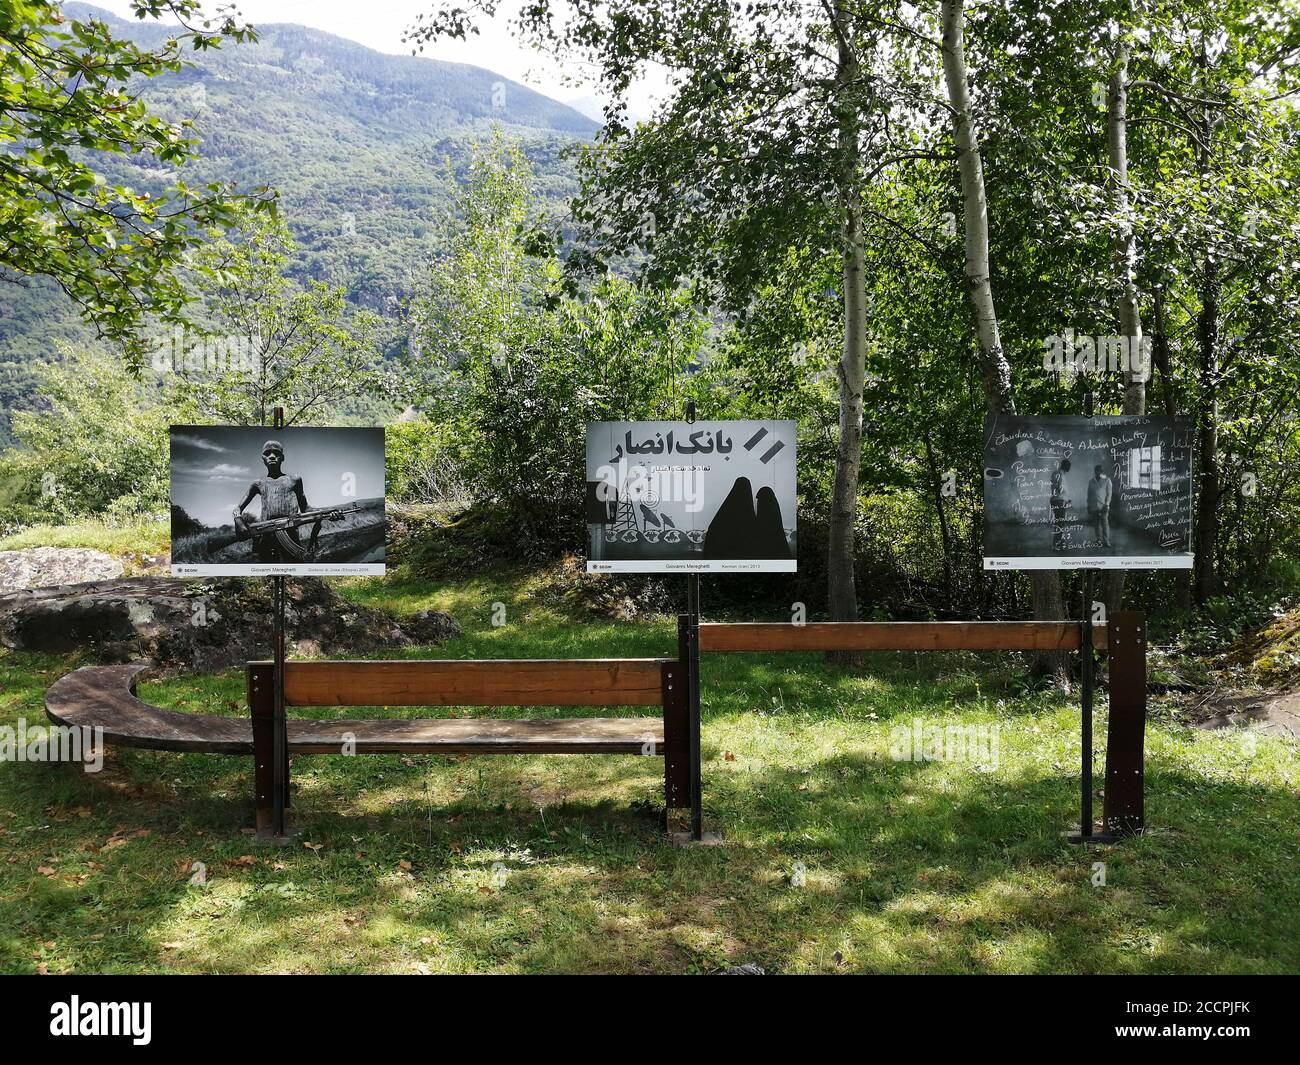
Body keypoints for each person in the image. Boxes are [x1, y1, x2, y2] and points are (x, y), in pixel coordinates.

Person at [233, 440, 318, 562]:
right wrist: (238, 521)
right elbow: (237, 509)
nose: (272, 456)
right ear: (263, 458)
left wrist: (327, 513)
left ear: (282, 458)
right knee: (267, 574)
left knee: (295, 570)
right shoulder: (258, 484)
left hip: (291, 536)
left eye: (276, 453)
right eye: (267, 453)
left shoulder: (294, 480)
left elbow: (306, 509)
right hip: (265, 537)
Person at [1087, 463, 1113, 547]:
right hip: (1094, 506)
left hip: (1103, 506)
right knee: (1096, 524)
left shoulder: (1107, 480)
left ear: (1102, 471)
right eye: (1097, 470)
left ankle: (1106, 541)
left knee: (1105, 524)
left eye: (1100, 471)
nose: (1098, 472)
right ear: (1095, 471)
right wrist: (1088, 505)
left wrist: (1107, 504)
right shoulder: (1091, 481)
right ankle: (1099, 540)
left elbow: (1109, 494)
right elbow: (1089, 494)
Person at [1050, 459, 1072, 552]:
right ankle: (1057, 544)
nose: (1069, 468)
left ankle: (1060, 543)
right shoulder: (1060, 474)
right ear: (1065, 466)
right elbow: (1059, 487)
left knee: (1059, 523)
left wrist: (1067, 498)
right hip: (1059, 500)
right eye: (1068, 466)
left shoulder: (1057, 473)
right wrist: (1066, 498)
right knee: (1060, 523)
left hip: (1057, 500)